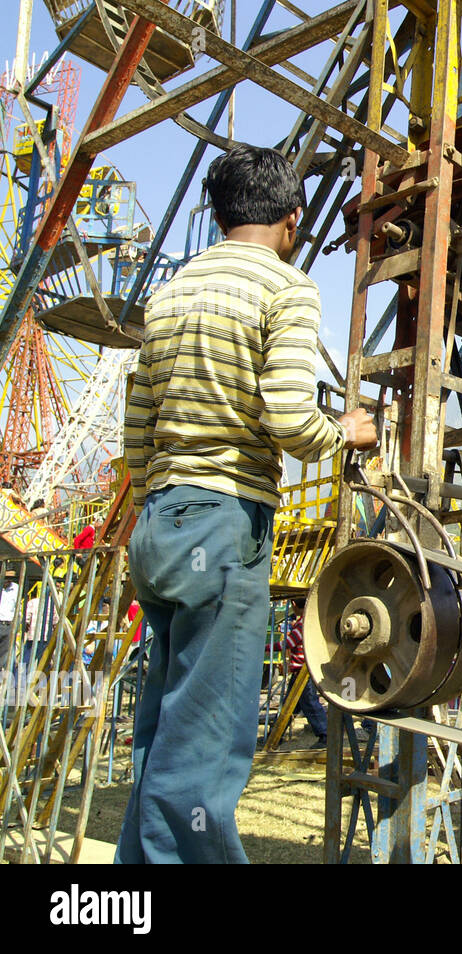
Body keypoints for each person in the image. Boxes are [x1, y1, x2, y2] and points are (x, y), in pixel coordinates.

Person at [115, 144, 378, 864]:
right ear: (293, 219)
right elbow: (291, 417)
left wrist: (160, 504)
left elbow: (137, 427)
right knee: (205, 739)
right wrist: (344, 431)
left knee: (162, 732)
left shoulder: (168, 293)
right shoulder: (286, 288)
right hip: (225, 523)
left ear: (218, 212)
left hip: (161, 524)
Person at [280, 599, 328, 747]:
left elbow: (289, 643)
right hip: (301, 671)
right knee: (289, 706)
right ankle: (276, 735)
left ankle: (325, 734)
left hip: (302, 673)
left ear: (294, 605)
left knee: (310, 704)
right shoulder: (308, 622)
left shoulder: (301, 625)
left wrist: (266, 647)